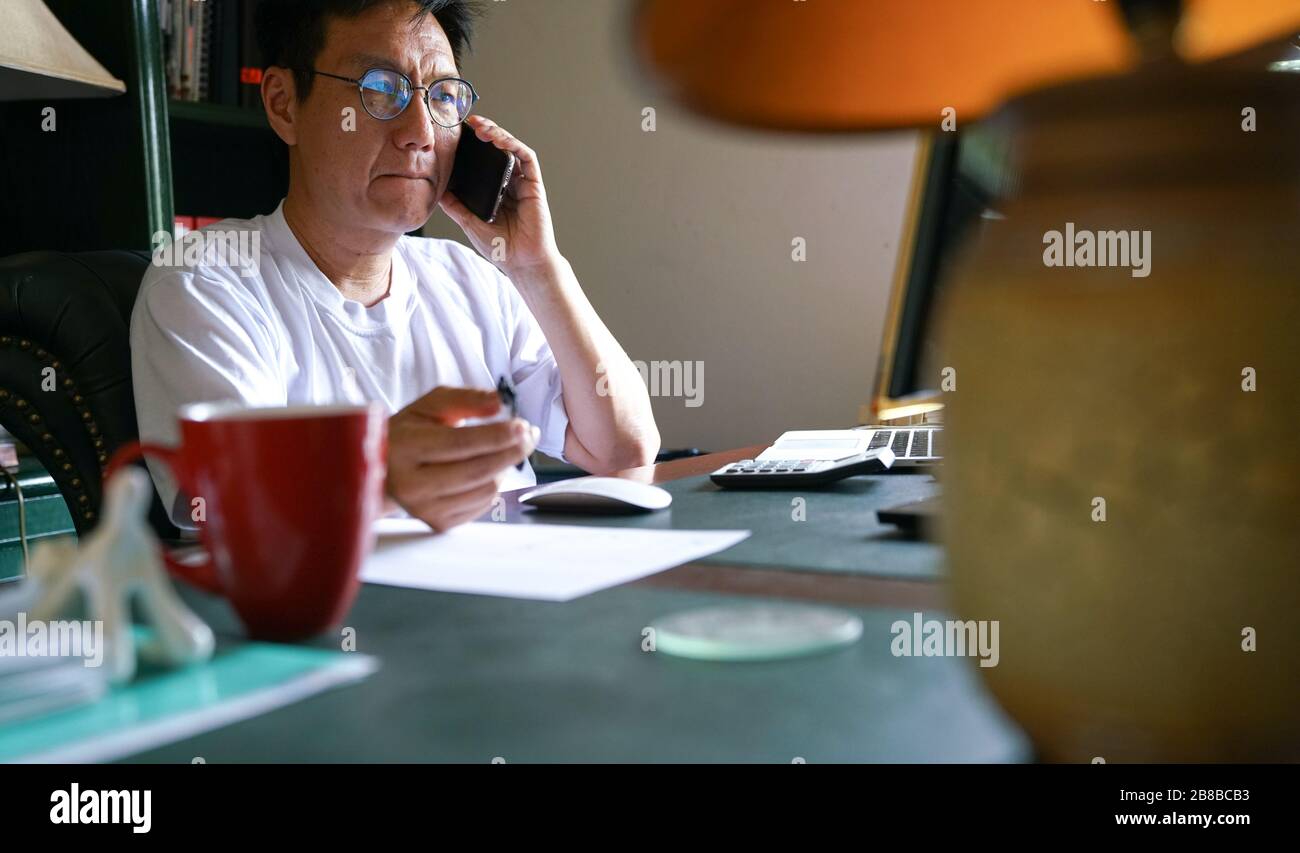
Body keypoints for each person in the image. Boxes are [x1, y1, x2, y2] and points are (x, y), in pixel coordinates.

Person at [131, 0, 659, 532]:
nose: (421, 132)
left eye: (443, 98)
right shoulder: (206, 279)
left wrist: (537, 267)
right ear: (284, 103)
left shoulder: (472, 280)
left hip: (514, 595)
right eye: (381, 89)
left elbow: (623, 448)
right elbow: (220, 504)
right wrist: (380, 475)